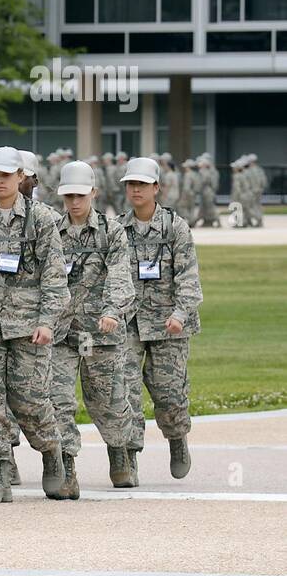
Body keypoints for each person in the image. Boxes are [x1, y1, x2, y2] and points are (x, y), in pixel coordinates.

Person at [0, 147, 69, 503]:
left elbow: (54, 277)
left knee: (30, 400)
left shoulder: (41, 220)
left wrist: (48, 321)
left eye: (6, 176)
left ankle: (52, 452)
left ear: (21, 176)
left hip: (28, 324)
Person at [50, 161, 136, 497]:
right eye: (68, 195)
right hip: (62, 334)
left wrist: (112, 310)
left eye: (80, 195)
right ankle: (67, 467)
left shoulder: (111, 232)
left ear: (94, 194)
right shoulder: (51, 232)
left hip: (100, 332)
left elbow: (120, 274)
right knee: (59, 401)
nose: (73, 202)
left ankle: (119, 451)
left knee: (108, 402)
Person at [118, 156, 202, 484]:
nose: (136, 189)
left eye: (142, 184)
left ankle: (177, 438)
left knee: (168, 392)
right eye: (131, 184)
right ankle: (129, 454)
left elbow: (189, 277)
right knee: (123, 390)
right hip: (129, 321)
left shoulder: (174, 227)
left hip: (170, 323)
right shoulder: (118, 229)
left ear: (156, 188)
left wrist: (181, 314)